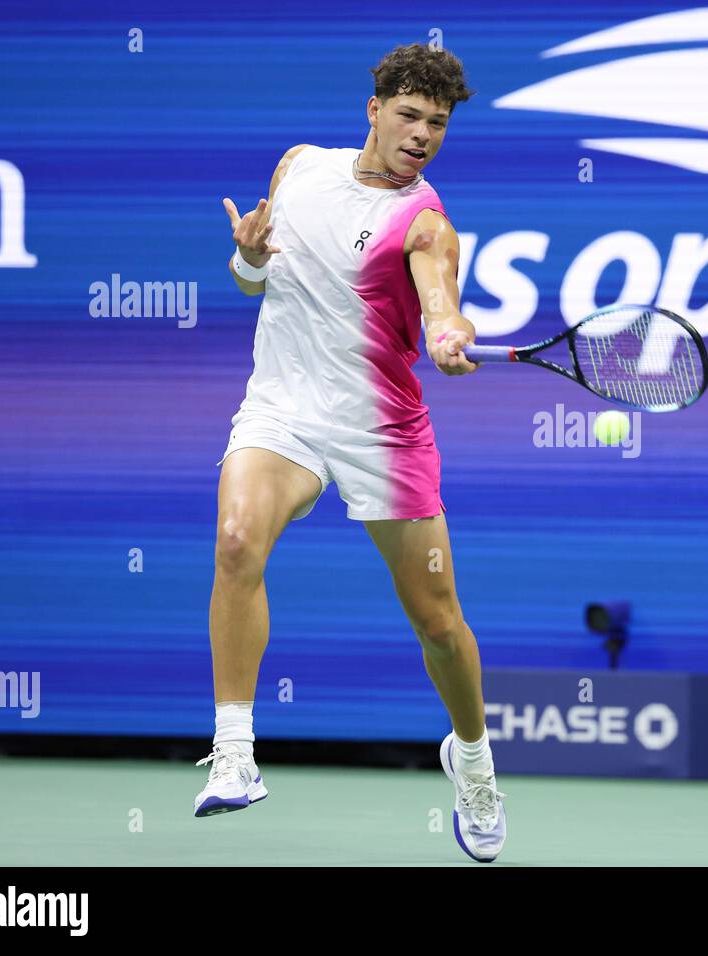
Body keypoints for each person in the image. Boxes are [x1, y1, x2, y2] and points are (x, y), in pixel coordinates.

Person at [193, 42, 506, 863]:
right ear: (373, 111)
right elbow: (252, 280)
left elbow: (442, 303)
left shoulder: (427, 223)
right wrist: (249, 258)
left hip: (381, 429)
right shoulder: (299, 168)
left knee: (438, 623)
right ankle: (235, 752)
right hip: (285, 410)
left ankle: (472, 758)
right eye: (408, 116)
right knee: (235, 541)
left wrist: (446, 330)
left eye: (437, 125)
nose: (422, 135)